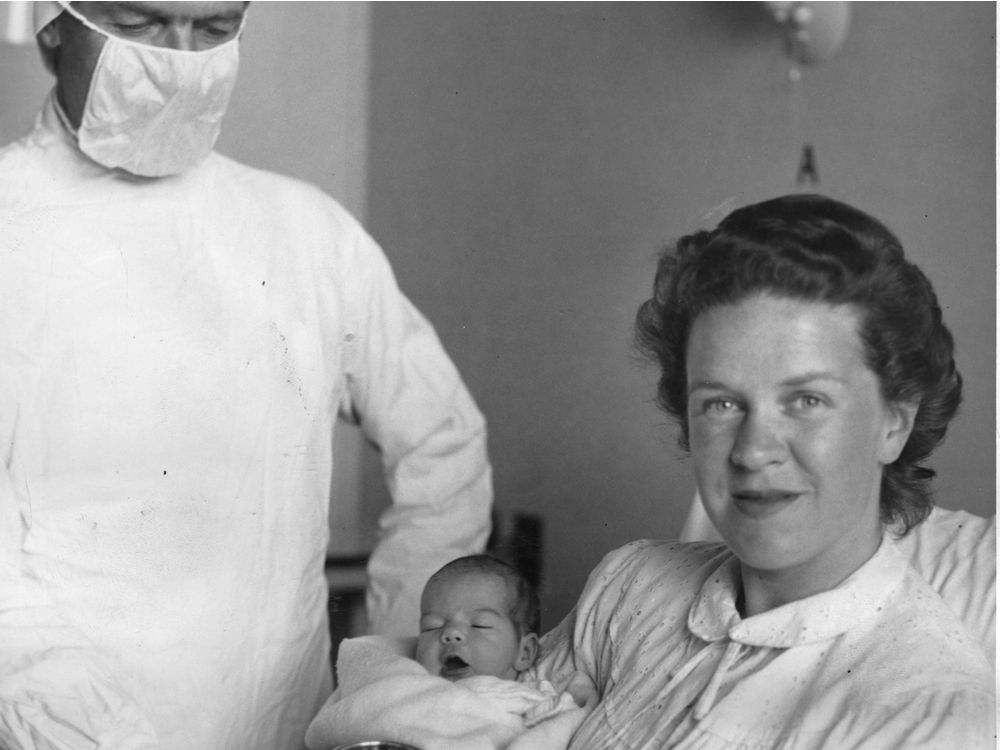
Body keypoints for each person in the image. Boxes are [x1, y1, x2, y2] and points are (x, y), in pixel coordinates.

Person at [0, 3, 492, 749]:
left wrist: (385, 667)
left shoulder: (305, 232)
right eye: (139, 25)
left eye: (212, 29)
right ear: (51, 28)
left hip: (279, 724)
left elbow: (444, 445)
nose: (180, 59)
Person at [534, 194, 995, 748]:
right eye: (721, 403)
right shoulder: (627, 589)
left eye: (806, 400)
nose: (753, 451)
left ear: (894, 423)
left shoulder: (932, 720)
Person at [305, 555, 597, 750]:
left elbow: (555, 732)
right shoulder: (394, 681)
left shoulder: (532, 703)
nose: (451, 633)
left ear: (525, 652)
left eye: (480, 625)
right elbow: (352, 719)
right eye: (432, 627)